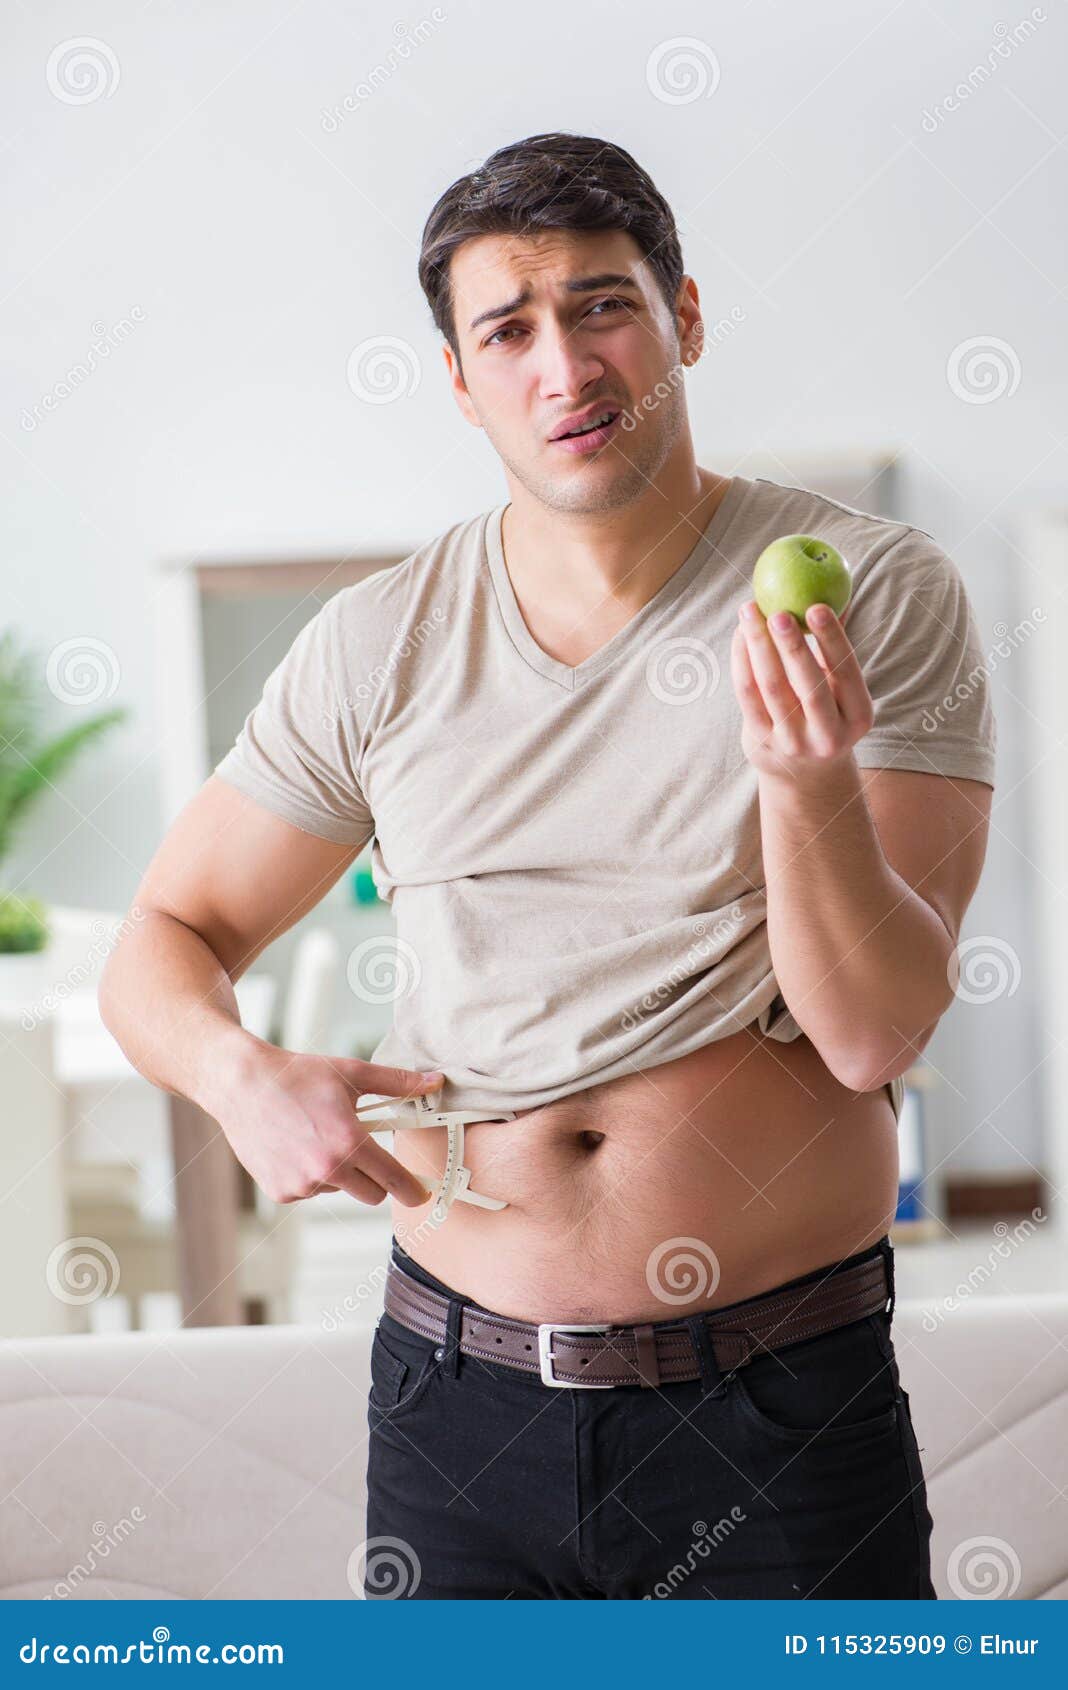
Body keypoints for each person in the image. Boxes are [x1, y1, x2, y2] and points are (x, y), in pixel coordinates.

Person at [99, 133, 996, 1600]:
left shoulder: (874, 591)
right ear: (458, 380)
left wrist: (804, 779)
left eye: (602, 306)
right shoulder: (379, 641)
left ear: (685, 317)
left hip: (776, 1399)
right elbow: (168, 931)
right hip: (455, 1405)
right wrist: (239, 1075)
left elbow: (877, 1028)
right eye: (506, 330)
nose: (563, 367)